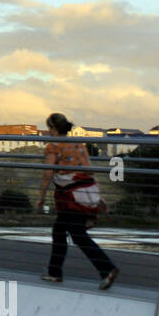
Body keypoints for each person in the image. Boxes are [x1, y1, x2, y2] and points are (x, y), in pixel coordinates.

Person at [35, 112, 119, 289]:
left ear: (53, 128)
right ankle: (54, 272)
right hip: (86, 191)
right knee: (59, 230)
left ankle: (107, 269)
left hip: (70, 196)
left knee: (78, 235)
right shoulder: (79, 144)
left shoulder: (53, 146)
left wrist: (41, 196)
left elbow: (48, 172)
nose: (48, 131)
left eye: (49, 128)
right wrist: (98, 195)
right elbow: (88, 169)